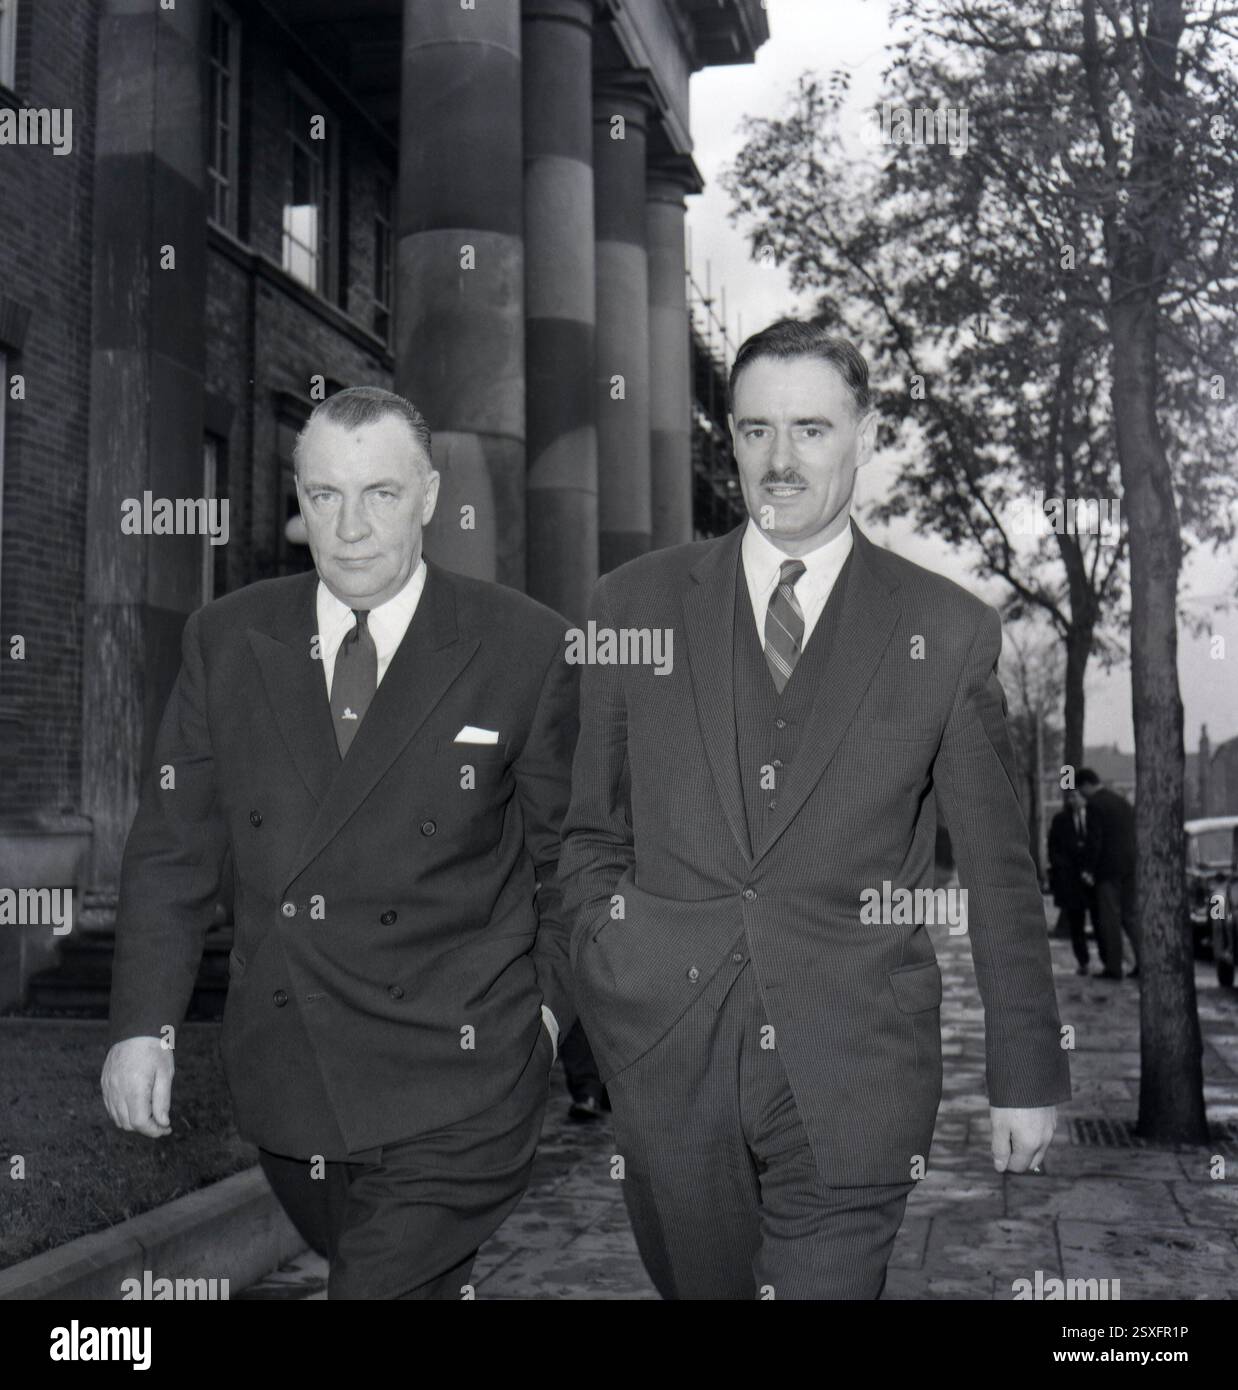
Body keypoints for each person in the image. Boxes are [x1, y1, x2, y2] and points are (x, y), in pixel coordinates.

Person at [560, 319, 1071, 1301]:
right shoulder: (632, 605)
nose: (780, 460)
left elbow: (999, 870)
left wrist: (1025, 1069)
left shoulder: (944, 629)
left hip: (856, 1069)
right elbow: (590, 828)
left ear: (864, 436)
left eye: (810, 429)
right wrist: (607, 966)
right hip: (668, 1059)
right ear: (731, 437)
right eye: (756, 430)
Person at [101, 386, 578, 1299]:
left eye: (380, 495)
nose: (350, 528)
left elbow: (574, 864)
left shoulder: (527, 647)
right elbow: (173, 851)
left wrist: (545, 1019)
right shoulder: (226, 639)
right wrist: (141, 1028)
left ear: (428, 497)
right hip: (294, 1078)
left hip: (465, 1076)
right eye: (325, 496)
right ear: (300, 499)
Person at [1076, 767, 1138, 980]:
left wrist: (1088, 870)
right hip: (1129, 866)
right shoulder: (1121, 802)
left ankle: (1114, 967)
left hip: (1107, 870)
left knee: (1110, 919)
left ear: (1086, 785)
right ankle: (1144, 963)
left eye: (1080, 790)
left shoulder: (1095, 805)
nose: (1081, 795)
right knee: (1131, 916)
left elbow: (1095, 840)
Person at [1047, 789, 1093, 975]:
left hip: (1092, 876)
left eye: (1076, 796)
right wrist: (1062, 867)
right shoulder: (1060, 820)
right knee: (1076, 922)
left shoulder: (1094, 817)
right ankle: (1083, 961)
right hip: (1071, 879)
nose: (1073, 800)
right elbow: (1053, 847)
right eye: (1070, 797)